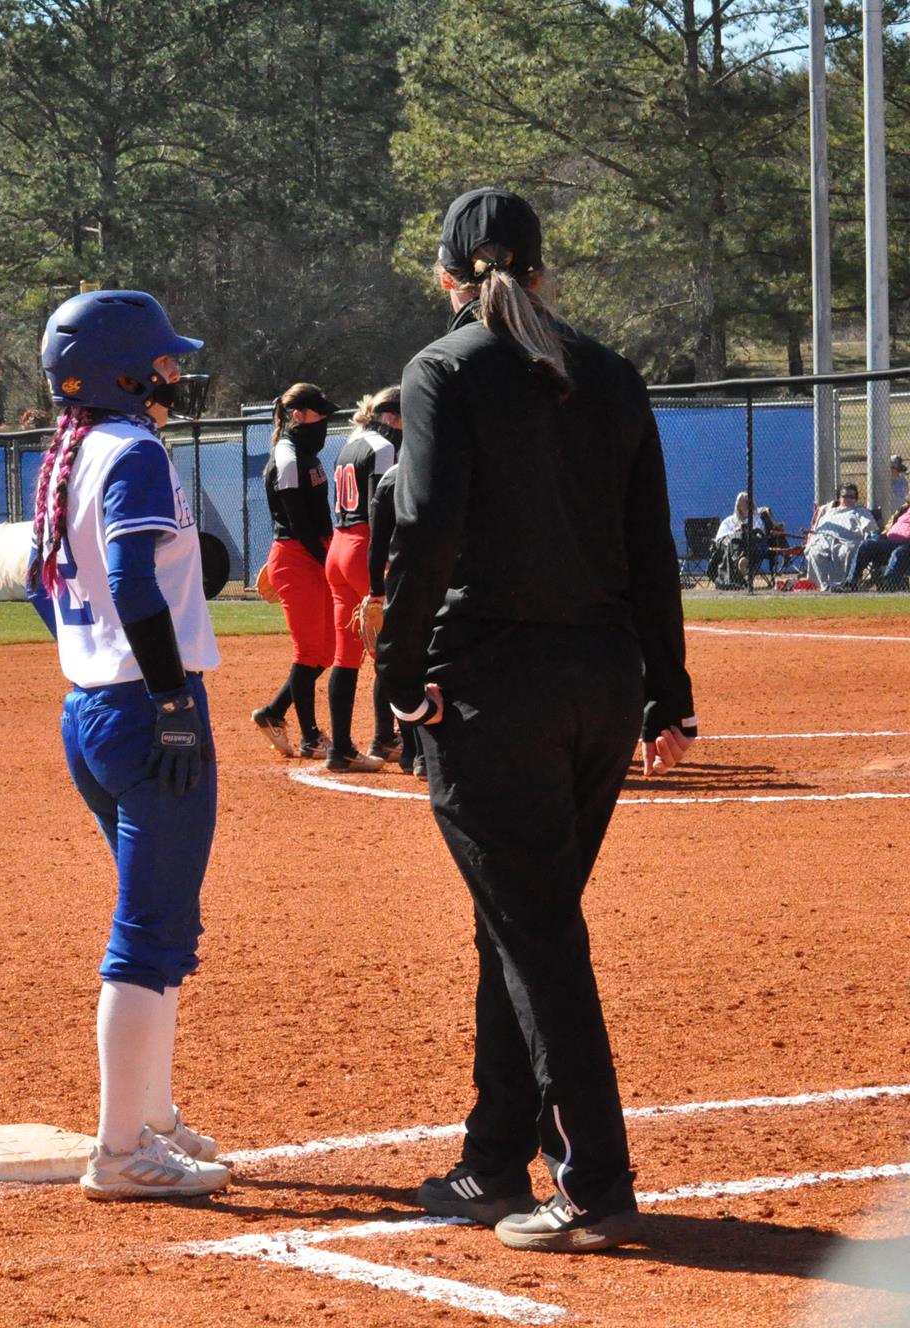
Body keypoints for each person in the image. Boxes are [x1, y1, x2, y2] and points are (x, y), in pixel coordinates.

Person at [374, 187, 697, 1254]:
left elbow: (425, 528)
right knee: (515, 918)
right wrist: (670, 690)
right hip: (602, 682)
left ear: (445, 276)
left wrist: (396, 664)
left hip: (493, 681)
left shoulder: (440, 369)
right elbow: (649, 540)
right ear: (542, 267)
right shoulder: (607, 372)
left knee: (534, 929)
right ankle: (488, 1155)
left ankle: (593, 1180)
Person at [25, 289, 231, 1202]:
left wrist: (99, 656)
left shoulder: (69, 453)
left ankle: (152, 1118)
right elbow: (137, 587)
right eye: (159, 361)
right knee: (148, 936)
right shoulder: (135, 449)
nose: (173, 373)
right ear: (120, 370)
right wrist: (172, 699)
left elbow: (42, 585)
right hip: (150, 712)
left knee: (165, 922)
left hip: (91, 712)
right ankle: (121, 1153)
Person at [251, 383, 339, 761]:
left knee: (329, 650)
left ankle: (273, 712)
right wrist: (328, 562)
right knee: (309, 652)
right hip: (296, 556)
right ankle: (310, 737)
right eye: (319, 414)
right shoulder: (287, 456)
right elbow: (298, 524)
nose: (324, 423)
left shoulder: (305, 453)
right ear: (299, 415)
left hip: (314, 553)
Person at [323, 386, 402, 771]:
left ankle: (340, 749)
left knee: (346, 654)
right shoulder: (384, 448)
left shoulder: (350, 443)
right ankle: (386, 739)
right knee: (393, 647)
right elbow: (381, 506)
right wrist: (386, 562)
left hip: (337, 547)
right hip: (363, 548)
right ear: (392, 417)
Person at [363, 459, 421, 777]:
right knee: (430, 659)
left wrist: (375, 590)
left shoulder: (389, 477)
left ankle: (395, 743)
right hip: (439, 578)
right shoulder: (442, 468)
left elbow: (377, 543)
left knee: (392, 658)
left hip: (398, 580)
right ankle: (422, 752)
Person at [805, 484, 878, 591]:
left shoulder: (860, 511)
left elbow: (871, 529)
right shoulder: (829, 511)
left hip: (849, 541)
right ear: (839, 497)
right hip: (824, 540)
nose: (848, 499)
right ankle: (825, 586)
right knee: (815, 551)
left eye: (852, 497)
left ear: (856, 498)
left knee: (846, 551)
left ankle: (843, 584)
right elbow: (819, 530)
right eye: (845, 496)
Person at [711, 491, 772, 588]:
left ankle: (740, 564)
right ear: (738, 505)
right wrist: (736, 534)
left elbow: (760, 535)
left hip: (749, 548)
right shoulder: (729, 521)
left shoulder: (756, 519)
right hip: (728, 549)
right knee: (733, 540)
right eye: (744, 502)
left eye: (749, 502)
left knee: (741, 537)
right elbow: (719, 538)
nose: (747, 505)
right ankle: (739, 562)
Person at [852, 498, 910, 590]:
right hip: (890, 543)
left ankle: (889, 582)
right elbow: (889, 527)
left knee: (899, 552)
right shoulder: (903, 509)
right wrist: (882, 535)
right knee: (867, 545)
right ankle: (852, 582)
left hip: (906, 547)